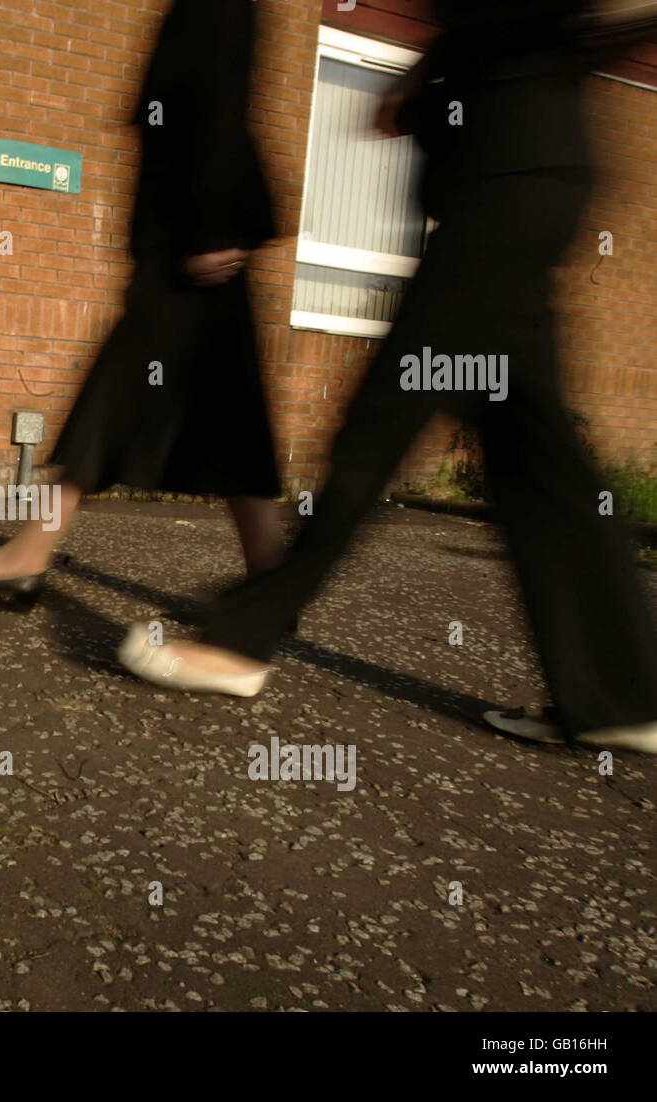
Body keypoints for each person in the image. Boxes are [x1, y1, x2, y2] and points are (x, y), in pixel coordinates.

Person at [119, 0, 657, 753]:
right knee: (535, 454)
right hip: (524, 177)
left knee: (380, 422)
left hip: (504, 184)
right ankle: (618, 693)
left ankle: (240, 643)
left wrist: (426, 87)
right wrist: (422, 83)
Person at [0, 0, 285, 608]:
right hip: (190, 243)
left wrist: (209, 227)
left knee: (116, 401)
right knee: (226, 416)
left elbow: (216, 103)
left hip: (190, 249)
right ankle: (269, 581)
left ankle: (30, 551)